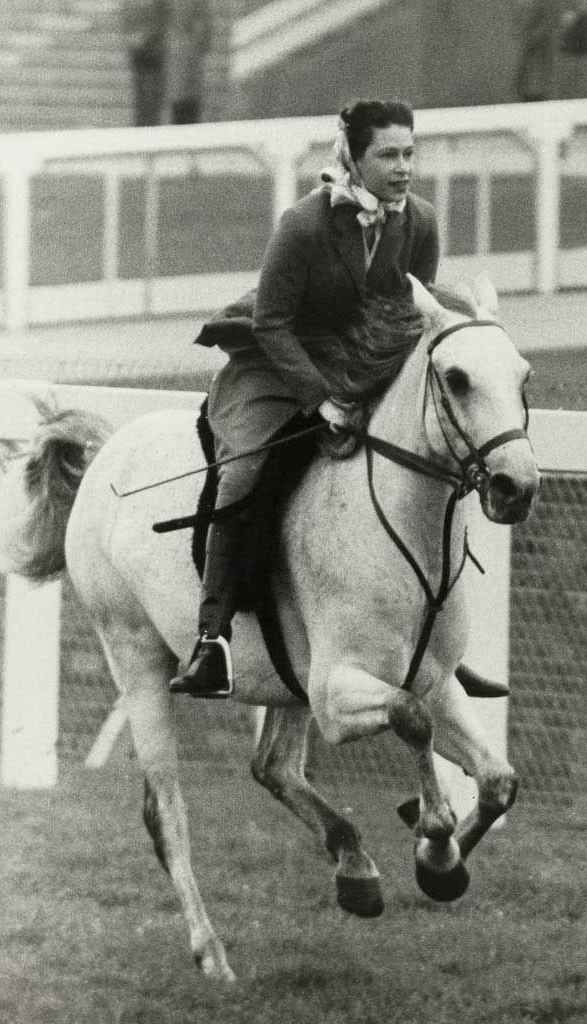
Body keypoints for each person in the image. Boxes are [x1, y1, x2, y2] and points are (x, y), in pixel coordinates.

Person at [170, 98, 440, 698]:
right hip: (277, 364)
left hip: (362, 364)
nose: (404, 167)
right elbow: (272, 325)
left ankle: (432, 636)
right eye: (388, 154)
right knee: (243, 477)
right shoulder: (304, 224)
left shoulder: (419, 221)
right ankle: (211, 640)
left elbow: (409, 312)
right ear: (353, 156)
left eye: (409, 153)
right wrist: (322, 401)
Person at [163, 0, 213, 124]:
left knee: (190, 108)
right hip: (180, 58)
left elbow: (206, 34)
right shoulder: (175, 38)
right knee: (180, 107)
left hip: (190, 65)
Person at [121, 0, 169, 127]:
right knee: (141, 93)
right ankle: (142, 126)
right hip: (138, 51)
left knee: (153, 93)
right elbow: (128, 16)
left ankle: (151, 126)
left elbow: (163, 19)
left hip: (154, 49)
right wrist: (132, 36)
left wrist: (146, 35)